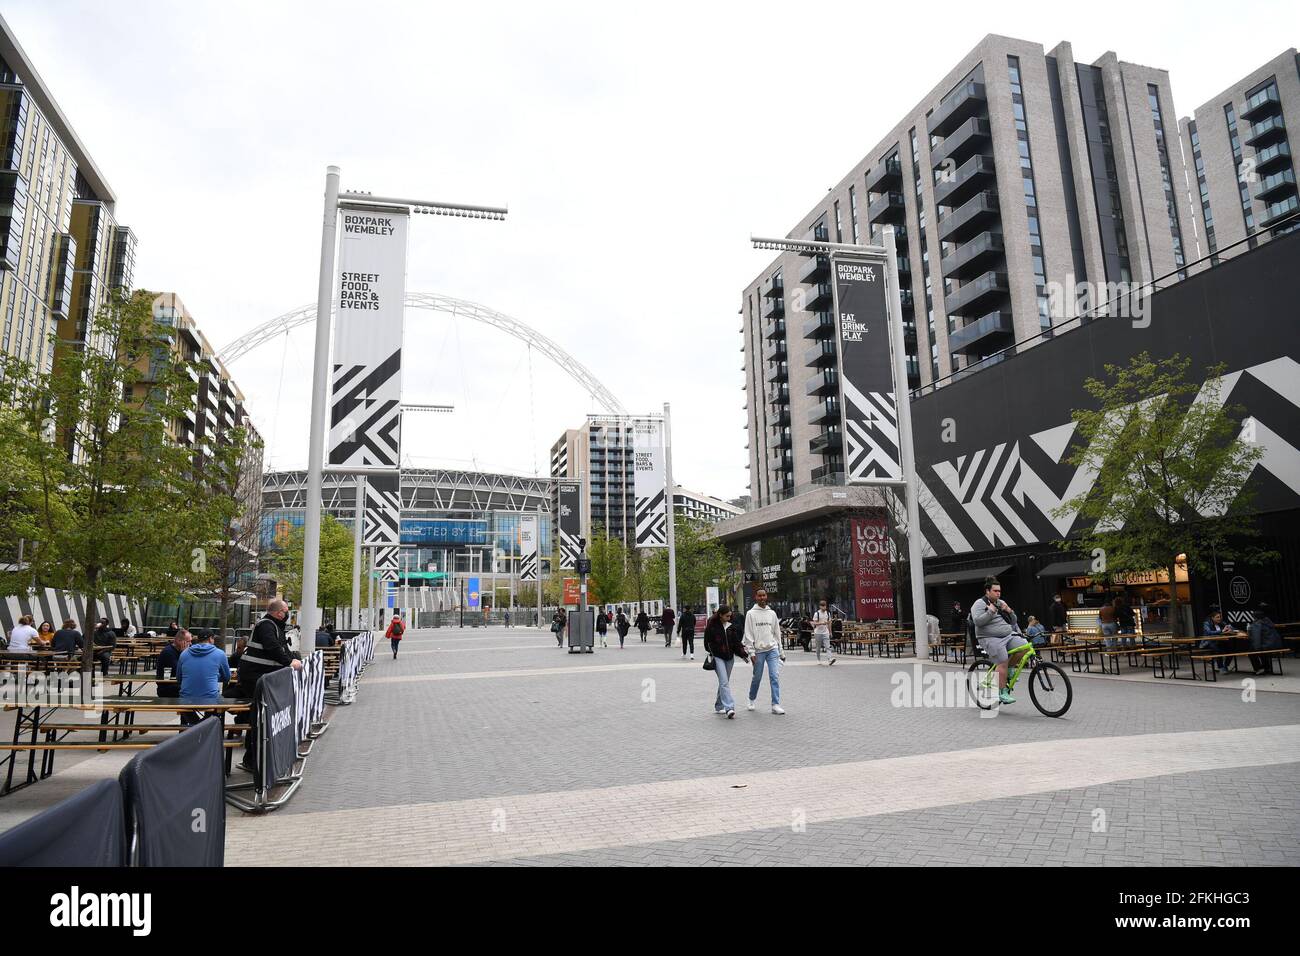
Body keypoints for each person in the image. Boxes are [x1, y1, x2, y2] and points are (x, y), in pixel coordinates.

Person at [235, 600, 303, 774]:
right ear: (279, 612)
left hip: (262, 676)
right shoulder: (266, 625)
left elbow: (282, 648)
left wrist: (293, 659)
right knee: (260, 715)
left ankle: (258, 757)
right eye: (286, 611)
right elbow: (272, 647)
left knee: (263, 716)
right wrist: (289, 662)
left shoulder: (275, 626)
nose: (288, 615)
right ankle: (252, 759)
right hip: (254, 677)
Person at [971, 577, 1032, 705]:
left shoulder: (1001, 602)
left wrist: (1009, 611)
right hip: (989, 637)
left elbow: (1014, 621)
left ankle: (1009, 669)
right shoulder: (979, 604)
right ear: (987, 591)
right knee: (1002, 659)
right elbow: (977, 621)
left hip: (1007, 635)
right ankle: (1002, 693)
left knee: (1025, 647)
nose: (998, 593)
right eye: (995, 591)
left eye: (999, 591)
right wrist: (990, 612)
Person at [177, 629, 232, 725]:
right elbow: (227, 678)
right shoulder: (220, 654)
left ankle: (196, 726)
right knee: (222, 703)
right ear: (211, 639)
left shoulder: (184, 654)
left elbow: (179, 678)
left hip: (186, 698)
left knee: (184, 704)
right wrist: (214, 676)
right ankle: (203, 728)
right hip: (210, 698)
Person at [743, 588, 784, 714]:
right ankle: (751, 698)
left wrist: (781, 652)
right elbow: (748, 634)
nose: (762, 598)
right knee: (757, 677)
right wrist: (751, 652)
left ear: (766, 597)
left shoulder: (772, 613)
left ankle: (775, 704)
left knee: (774, 676)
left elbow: (777, 633)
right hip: (758, 651)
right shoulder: (750, 614)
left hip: (772, 649)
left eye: (764, 595)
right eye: (759, 596)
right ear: (756, 597)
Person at [704, 605, 749, 718]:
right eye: (727, 616)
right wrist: (712, 651)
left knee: (724, 682)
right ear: (720, 615)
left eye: (730, 615)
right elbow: (707, 642)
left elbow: (736, 642)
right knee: (724, 682)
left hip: (730, 658)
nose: (729, 617)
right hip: (718, 656)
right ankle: (729, 708)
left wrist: (743, 654)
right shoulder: (712, 625)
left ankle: (719, 705)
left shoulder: (731, 625)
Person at [1247, 603, 1284, 676]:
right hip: (1276, 645)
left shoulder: (1257, 624)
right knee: (1260, 649)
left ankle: (1258, 669)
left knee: (1252, 651)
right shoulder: (1268, 621)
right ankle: (1267, 668)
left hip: (1268, 646)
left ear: (1255, 617)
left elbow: (1256, 638)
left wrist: (1257, 649)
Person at [1199, 608, 1240, 674]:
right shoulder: (1206, 623)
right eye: (1217, 617)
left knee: (1231, 649)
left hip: (1220, 641)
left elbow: (1231, 627)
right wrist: (1221, 631)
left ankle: (1225, 666)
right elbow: (1209, 632)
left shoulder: (1222, 623)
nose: (1219, 618)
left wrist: (1230, 629)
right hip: (1208, 642)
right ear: (1212, 618)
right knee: (1218, 649)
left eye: (1220, 617)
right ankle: (1220, 667)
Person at [156, 629, 192, 699]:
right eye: (188, 641)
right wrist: (185, 654)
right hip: (167, 688)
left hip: (177, 685)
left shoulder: (180, 651)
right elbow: (181, 670)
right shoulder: (168, 652)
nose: (191, 644)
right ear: (179, 641)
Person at [811, 599, 835, 666]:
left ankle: (830, 659)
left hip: (825, 632)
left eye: (825, 606)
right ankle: (818, 659)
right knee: (818, 647)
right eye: (823, 606)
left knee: (828, 646)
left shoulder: (828, 613)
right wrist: (821, 623)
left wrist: (830, 632)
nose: (824, 607)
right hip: (818, 632)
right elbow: (814, 623)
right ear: (820, 606)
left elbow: (829, 623)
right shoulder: (817, 614)